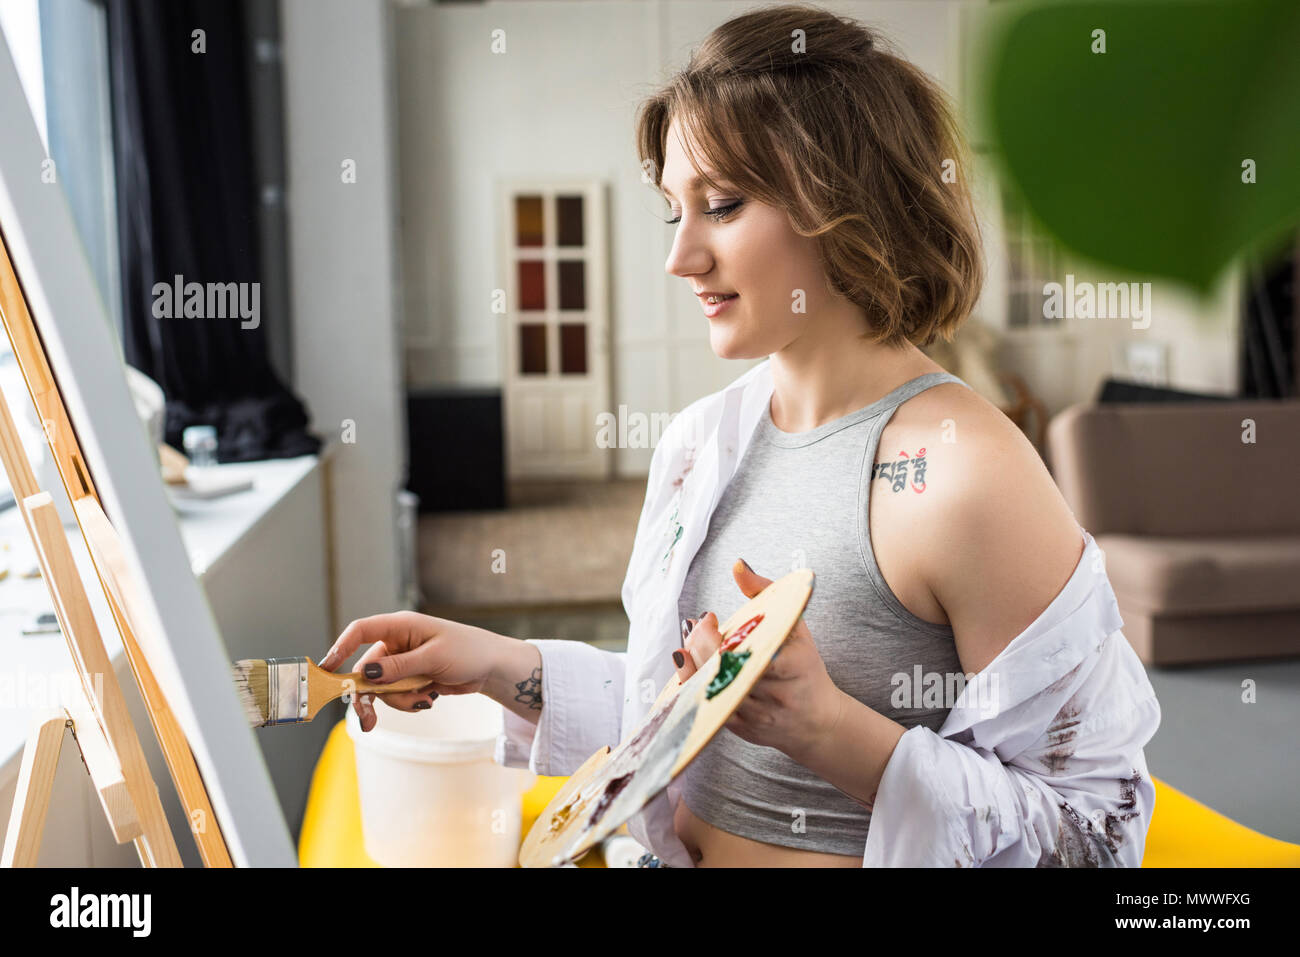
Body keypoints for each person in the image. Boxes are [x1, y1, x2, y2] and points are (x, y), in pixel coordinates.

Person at [318, 4, 1160, 867]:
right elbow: (687, 718)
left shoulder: (964, 473)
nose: (682, 257)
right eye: (673, 212)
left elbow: (1094, 838)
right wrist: (501, 665)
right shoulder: (700, 443)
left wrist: (832, 730)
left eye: (721, 205)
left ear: (848, 205)